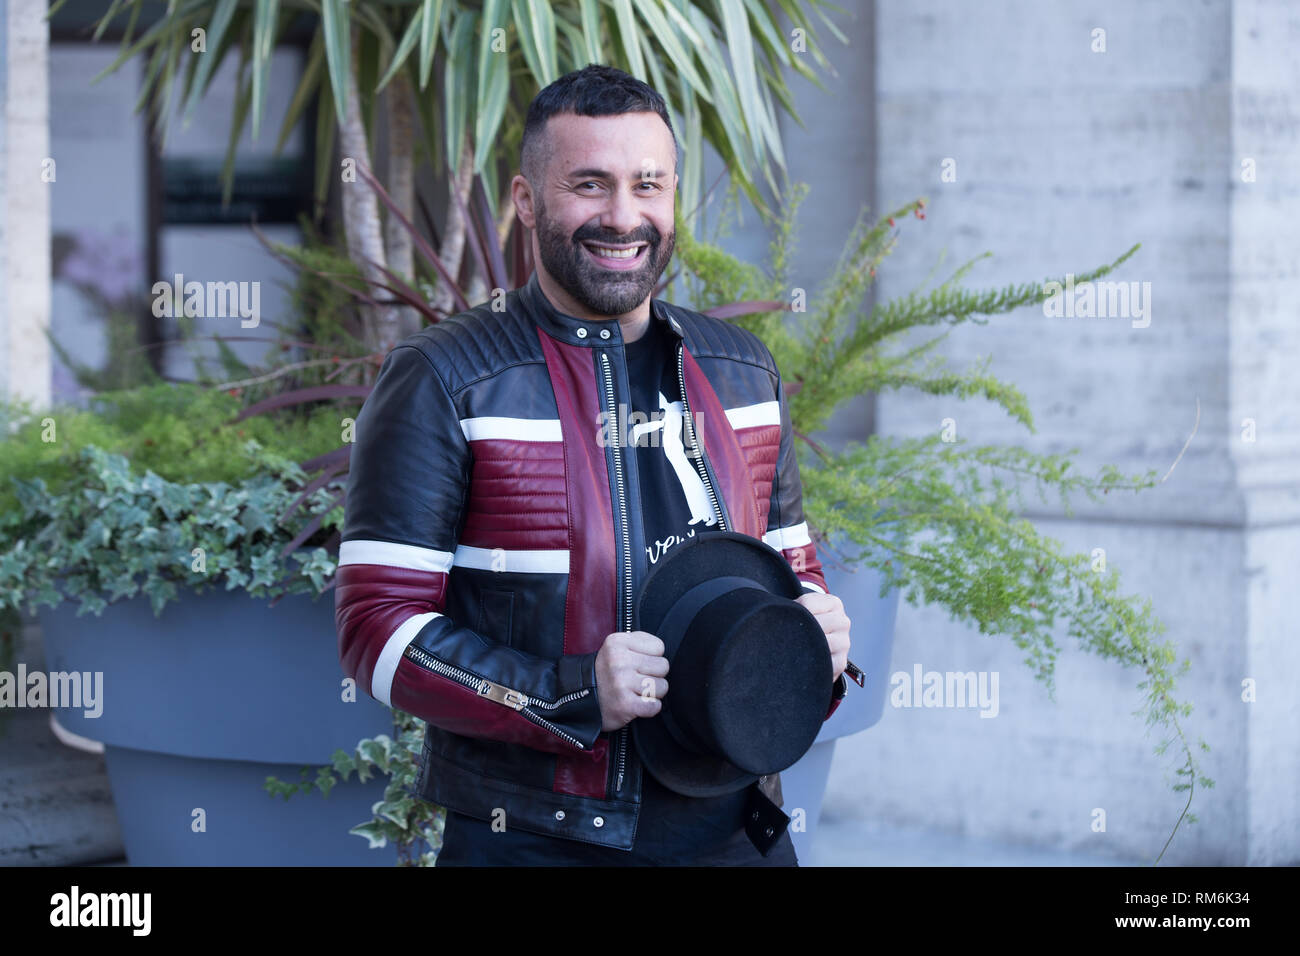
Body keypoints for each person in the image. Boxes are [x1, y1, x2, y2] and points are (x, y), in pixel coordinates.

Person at [336, 64, 851, 866]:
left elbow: (791, 571)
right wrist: (573, 692)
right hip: (536, 837)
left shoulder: (742, 371)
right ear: (526, 199)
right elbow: (376, 630)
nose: (623, 215)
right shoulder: (447, 376)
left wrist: (818, 626)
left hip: (735, 826)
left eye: (648, 184)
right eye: (589, 183)